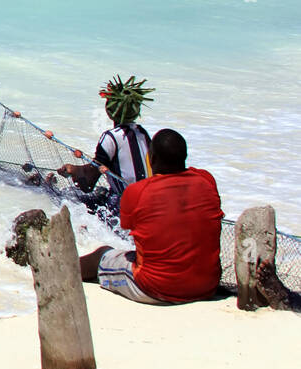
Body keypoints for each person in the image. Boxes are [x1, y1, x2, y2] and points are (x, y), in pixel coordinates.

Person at [79, 129, 224, 305]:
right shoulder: (207, 180)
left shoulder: (137, 191)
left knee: (102, 254)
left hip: (154, 289)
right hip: (207, 286)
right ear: (184, 156)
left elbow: (128, 226)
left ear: (152, 159)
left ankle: (62, 269)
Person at [57, 75, 154, 212]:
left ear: (109, 112)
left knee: (68, 197)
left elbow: (89, 182)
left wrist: (72, 169)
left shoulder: (111, 137)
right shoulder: (143, 134)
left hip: (126, 204)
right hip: (148, 200)